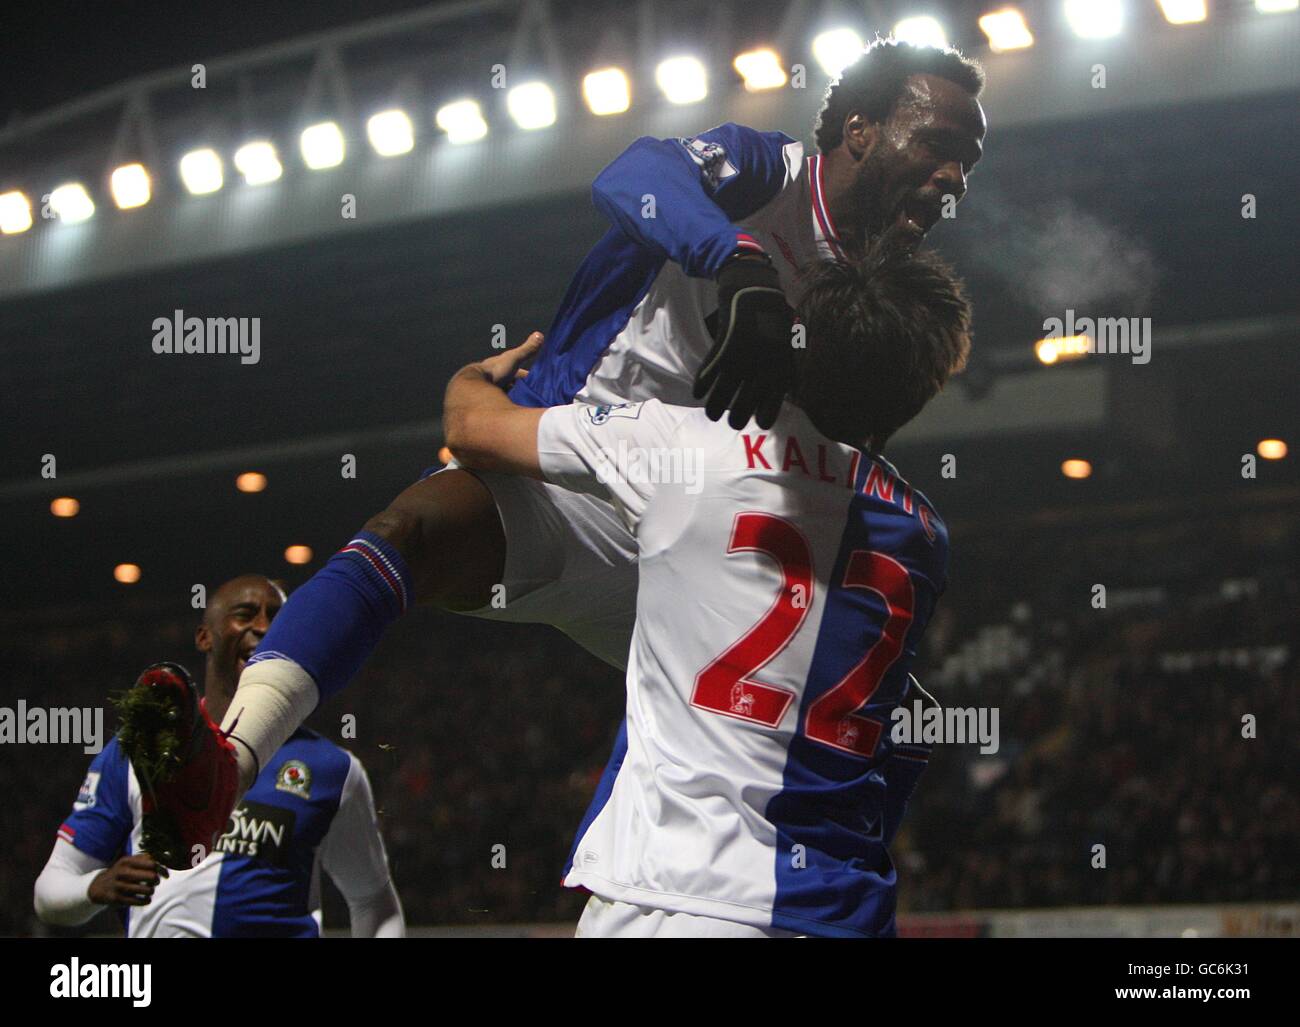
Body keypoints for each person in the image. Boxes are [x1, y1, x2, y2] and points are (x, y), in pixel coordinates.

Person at [141, 40, 988, 864]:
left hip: (710, 533)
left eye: (969, 163)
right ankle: (231, 764)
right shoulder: (764, 173)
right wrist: (737, 260)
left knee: (888, 711)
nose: (955, 176)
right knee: (416, 528)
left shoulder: (880, 297)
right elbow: (630, 178)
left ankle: (678, 888)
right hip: (581, 468)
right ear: (860, 130)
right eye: (941, 146)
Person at [439, 244, 972, 936]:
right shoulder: (925, 532)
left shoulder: (679, 444)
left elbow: (470, 429)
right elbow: (899, 721)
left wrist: (474, 373)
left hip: (681, 896)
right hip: (844, 907)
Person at [33, 575, 404, 938]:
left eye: (278, 620)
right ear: (204, 636)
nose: (263, 627)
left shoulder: (332, 770)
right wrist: (96, 887)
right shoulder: (139, 749)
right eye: (245, 614)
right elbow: (50, 891)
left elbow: (372, 900)